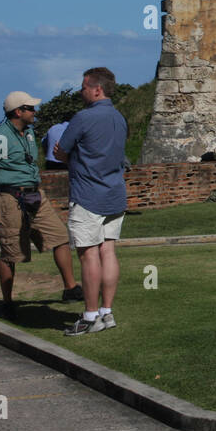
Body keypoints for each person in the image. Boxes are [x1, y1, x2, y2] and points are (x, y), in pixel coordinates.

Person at [0, 92, 82, 321]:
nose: (35, 112)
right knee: (10, 252)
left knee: (60, 236)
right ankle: (7, 302)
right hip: (9, 196)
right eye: (30, 108)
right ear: (18, 112)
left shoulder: (31, 134)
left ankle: (70, 287)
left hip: (35, 194)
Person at [55, 67, 128, 335]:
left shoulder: (83, 118)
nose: (81, 90)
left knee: (88, 255)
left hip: (87, 195)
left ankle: (90, 316)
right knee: (108, 251)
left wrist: (71, 157)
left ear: (97, 89)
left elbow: (61, 151)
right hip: (114, 194)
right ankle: (106, 312)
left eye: (85, 86)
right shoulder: (120, 118)